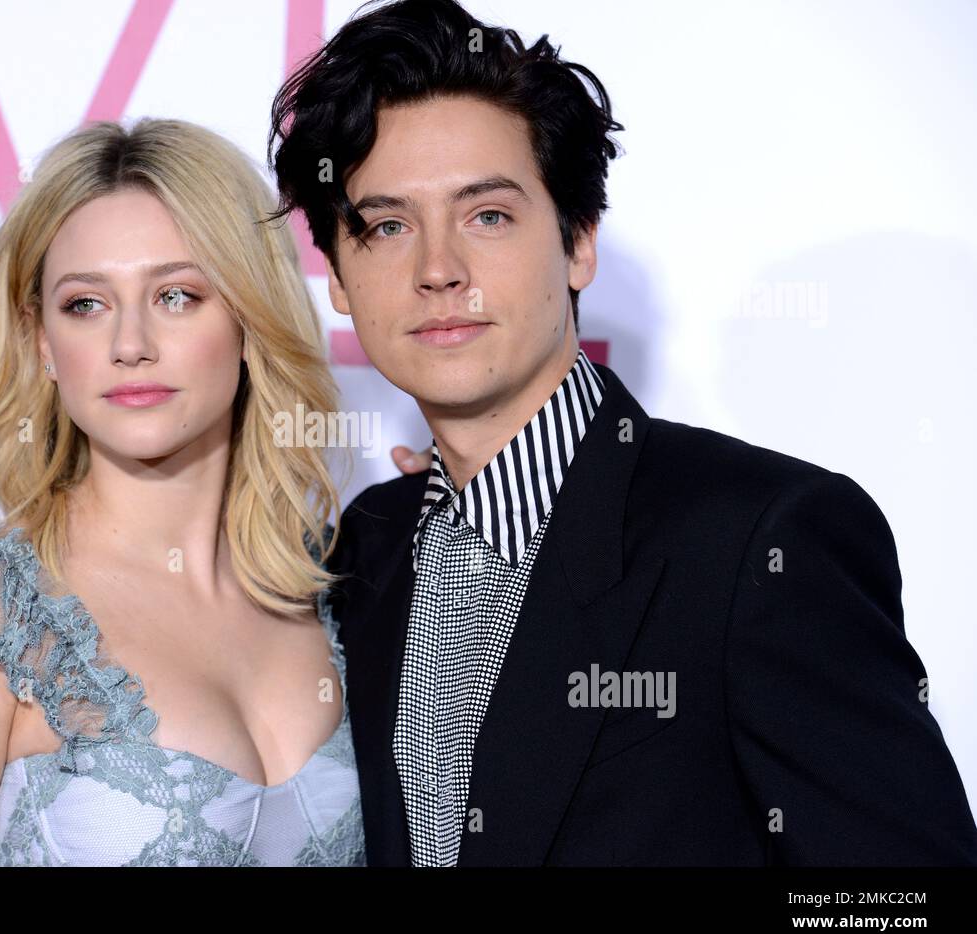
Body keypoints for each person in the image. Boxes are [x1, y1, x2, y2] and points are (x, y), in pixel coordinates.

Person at [267, 0, 977, 865]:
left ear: (578, 243)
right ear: (338, 278)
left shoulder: (759, 539)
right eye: (386, 227)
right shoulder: (363, 549)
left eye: (487, 216)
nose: (438, 270)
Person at [0, 118, 372, 866]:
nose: (130, 344)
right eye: (86, 304)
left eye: (178, 296)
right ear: (41, 343)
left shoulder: (335, 589)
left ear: (250, 319)